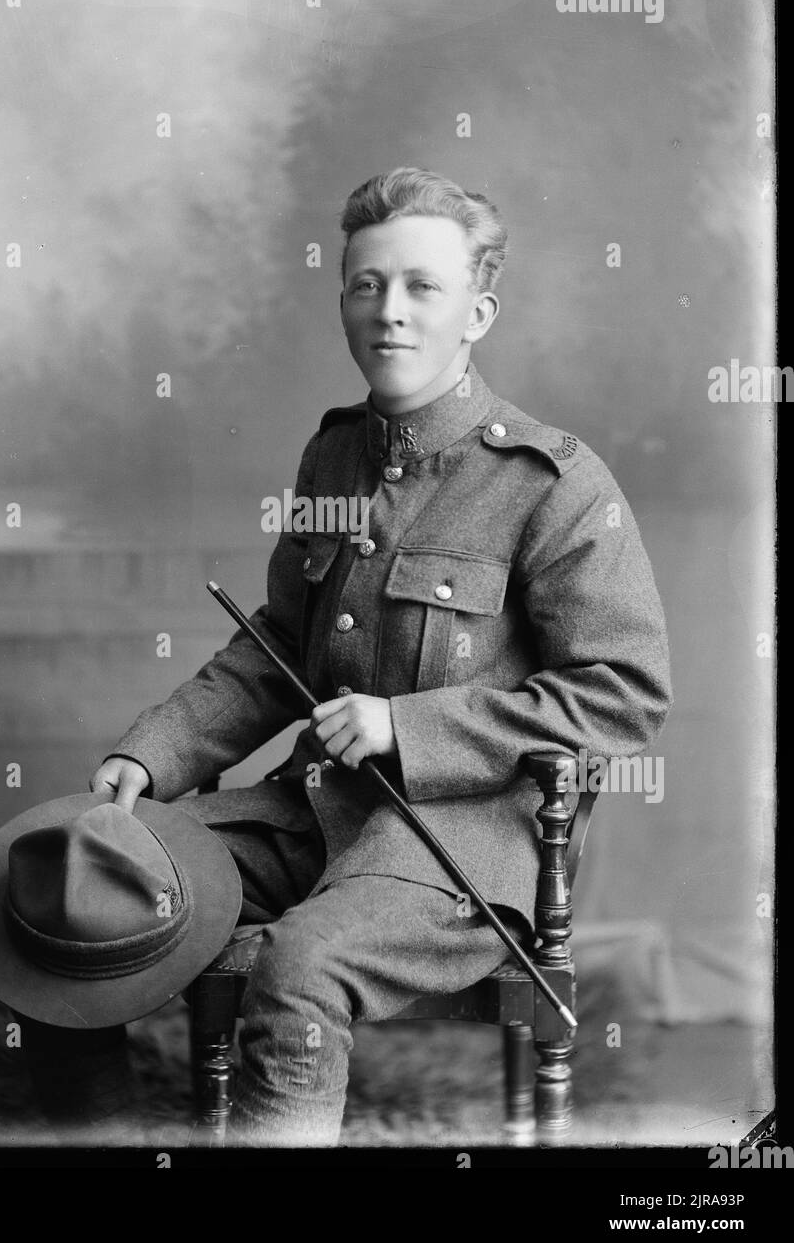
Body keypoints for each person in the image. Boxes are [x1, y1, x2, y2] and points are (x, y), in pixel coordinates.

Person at [90, 166, 673, 1146]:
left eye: (420, 287)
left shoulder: (551, 482)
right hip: (315, 816)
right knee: (92, 893)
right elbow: (275, 645)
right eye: (366, 284)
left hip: (463, 845)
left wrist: (404, 726)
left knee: (297, 962)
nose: (388, 312)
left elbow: (620, 697)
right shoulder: (333, 459)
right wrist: (153, 754)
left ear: (476, 312)